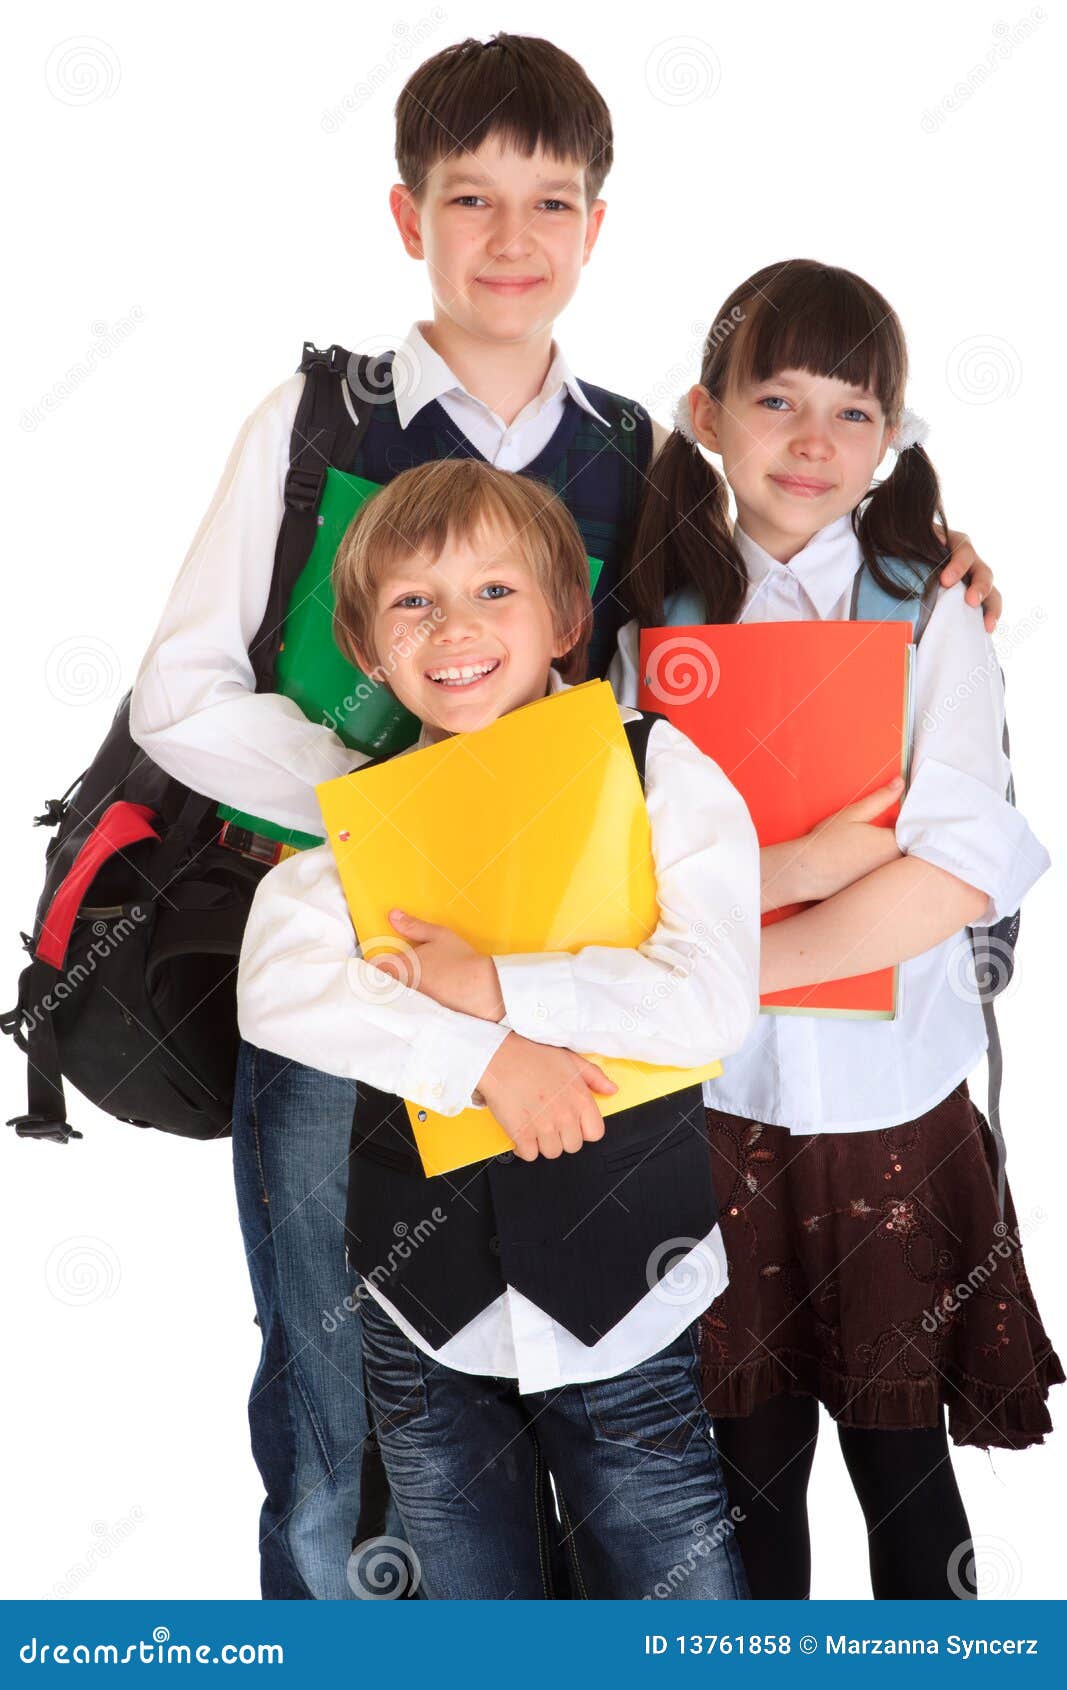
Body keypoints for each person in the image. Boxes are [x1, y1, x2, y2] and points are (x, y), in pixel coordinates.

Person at [127, 30, 1003, 1596]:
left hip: (572, 988)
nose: (509, 239)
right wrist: (405, 812)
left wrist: (924, 557)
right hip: (367, 955)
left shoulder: (632, 448)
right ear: (409, 217)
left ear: (595, 227)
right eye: (469, 200)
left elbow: (727, 621)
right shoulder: (317, 416)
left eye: (548, 204)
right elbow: (180, 697)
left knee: (583, 1387)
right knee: (339, 1386)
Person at [610, 258, 1061, 1601]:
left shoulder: (926, 608)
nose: (812, 441)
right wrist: (773, 896)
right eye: (776, 400)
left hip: (887, 1107)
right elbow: (624, 876)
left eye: (852, 411)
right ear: (705, 413)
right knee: (744, 1474)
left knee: (905, 1472)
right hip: (711, 1111)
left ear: (889, 438)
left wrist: (723, 956)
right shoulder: (652, 620)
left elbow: (964, 858)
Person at [236, 457, 761, 1599]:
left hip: (629, 1292)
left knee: (675, 1602)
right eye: (411, 602)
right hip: (425, 1317)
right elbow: (276, 985)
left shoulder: (656, 770)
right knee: (475, 1616)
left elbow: (710, 994)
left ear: (567, 618)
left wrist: (491, 986)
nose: (453, 626)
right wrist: (488, 1059)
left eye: (492, 591)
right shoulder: (363, 831)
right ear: (368, 650)